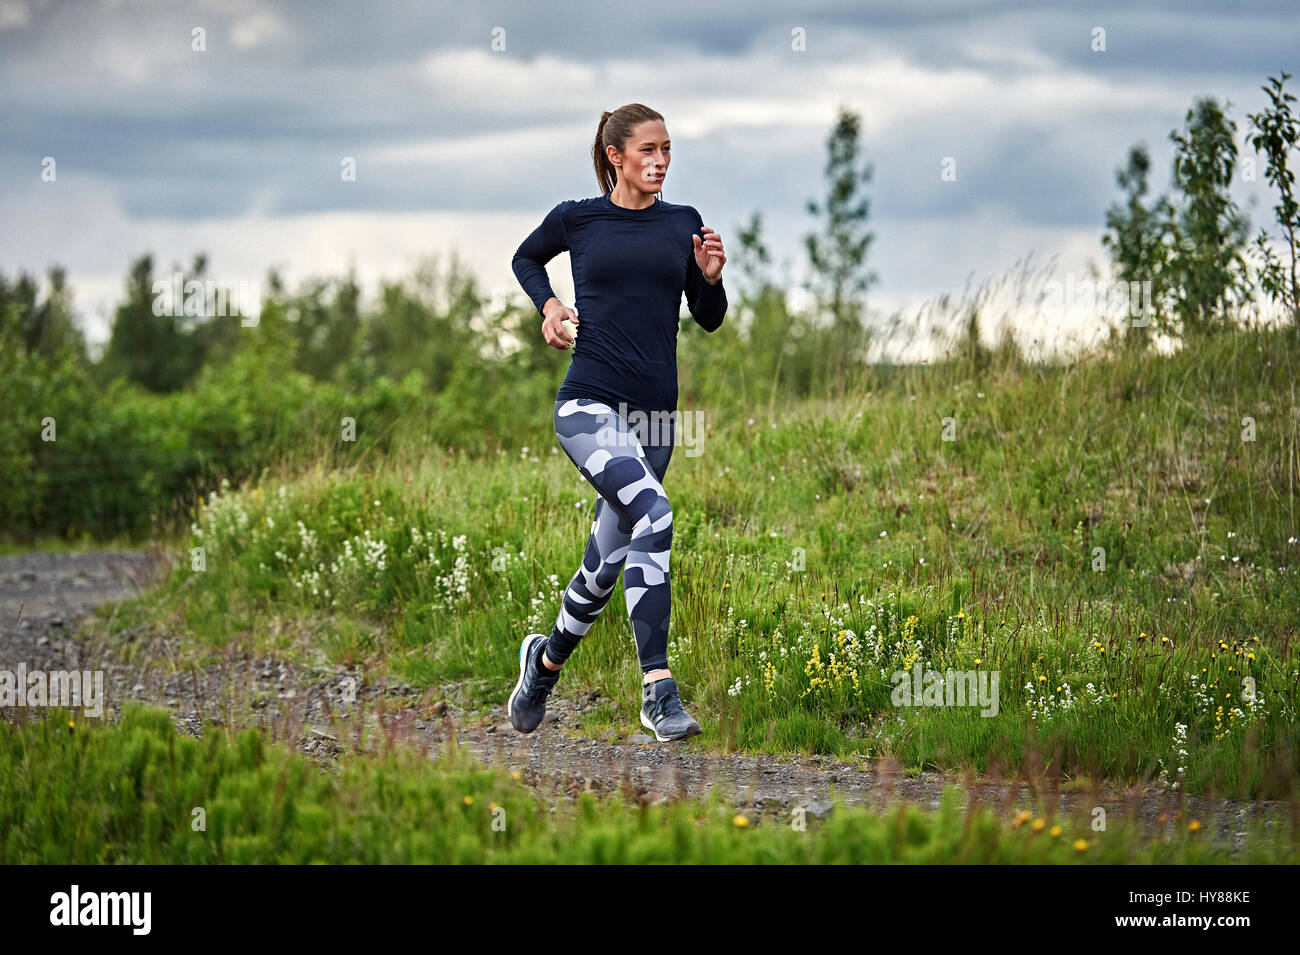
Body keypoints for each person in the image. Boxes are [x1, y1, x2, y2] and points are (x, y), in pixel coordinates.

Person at [508, 103, 727, 741]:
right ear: (616, 157)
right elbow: (525, 258)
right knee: (655, 517)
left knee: (606, 566)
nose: (660, 162)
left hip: (656, 420)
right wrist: (548, 306)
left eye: (667, 152)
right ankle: (658, 690)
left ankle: (542, 665)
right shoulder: (578, 219)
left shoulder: (683, 225)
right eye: (648, 151)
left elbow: (707, 316)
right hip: (588, 405)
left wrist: (710, 280)